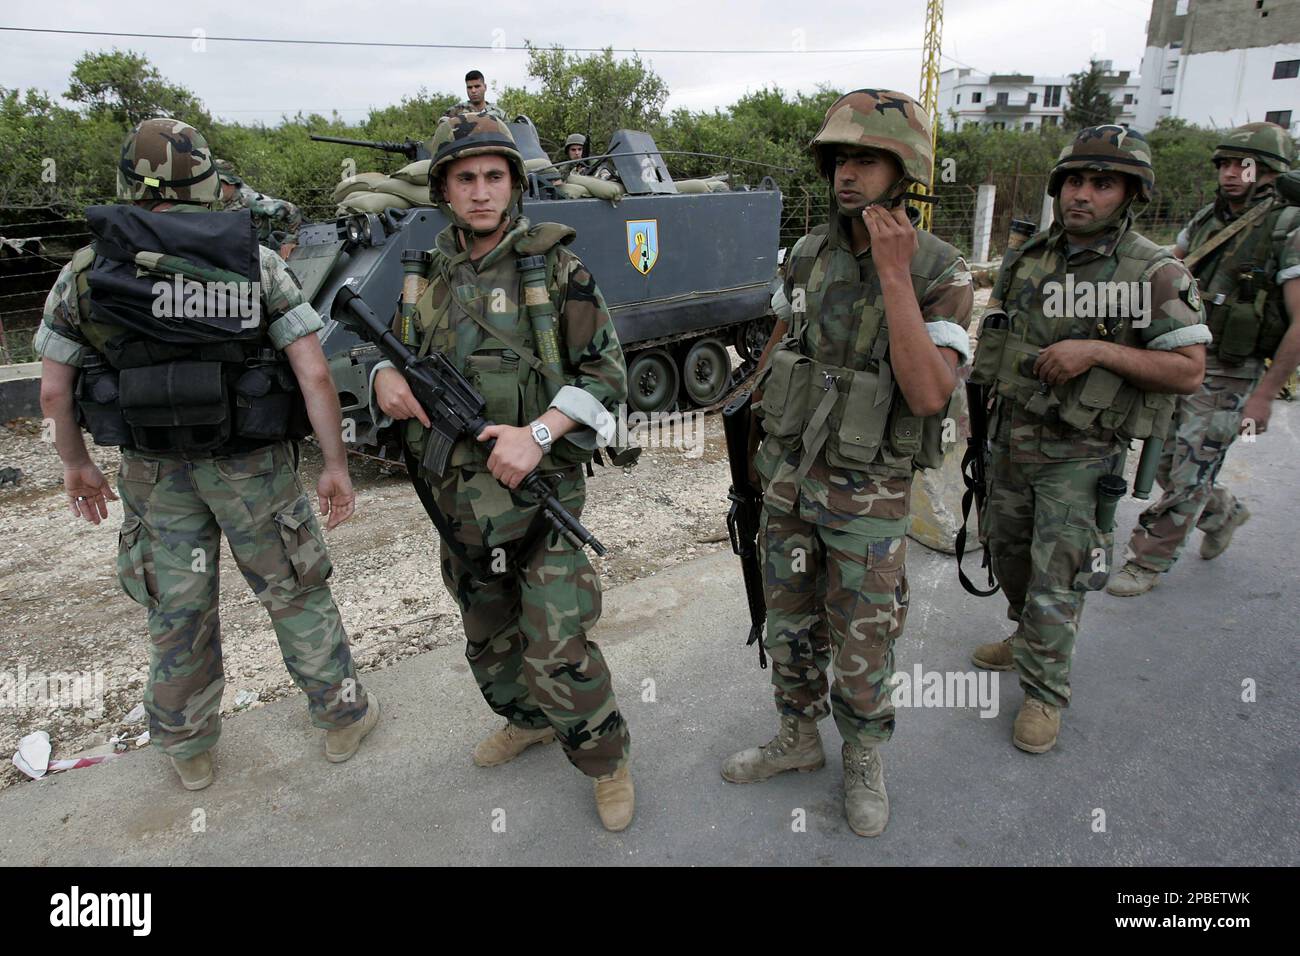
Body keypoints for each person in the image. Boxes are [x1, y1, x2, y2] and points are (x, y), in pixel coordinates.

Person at [34, 118, 379, 791]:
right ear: (207, 179)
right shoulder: (251, 258)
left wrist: (77, 464)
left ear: (129, 181)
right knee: (293, 590)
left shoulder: (87, 269)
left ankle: (189, 749)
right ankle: (342, 720)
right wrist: (335, 465)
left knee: (178, 608)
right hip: (250, 467)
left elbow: (53, 392)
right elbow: (313, 373)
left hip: (153, 471)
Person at [369, 113, 634, 831]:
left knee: (559, 648)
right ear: (445, 191)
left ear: (513, 185)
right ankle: (528, 720)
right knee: (488, 637)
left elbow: (610, 380)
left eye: (493, 176)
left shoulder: (556, 270)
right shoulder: (426, 274)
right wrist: (381, 379)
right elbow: (401, 357)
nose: (481, 192)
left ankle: (606, 762)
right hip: (458, 504)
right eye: (465, 178)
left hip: (539, 498)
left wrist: (541, 431)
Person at [721, 90, 975, 837]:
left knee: (863, 636)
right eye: (839, 159)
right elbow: (780, 341)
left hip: (871, 492)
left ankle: (863, 756)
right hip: (793, 480)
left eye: (866, 159)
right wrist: (747, 406)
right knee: (790, 622)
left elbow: (930, 393)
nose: (846, 174)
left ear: (905, 172)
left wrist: (895, 275)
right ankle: (798, 738)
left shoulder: (940, 269)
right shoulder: (808, 253)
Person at [967, 125, 1209, 752]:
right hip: (1012, 439)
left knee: (1060, 573)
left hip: (1081, 451)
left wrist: (1098, 351)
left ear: (1130, 194)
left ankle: (1045, 694)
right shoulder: (1030, 254)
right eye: (1074, 180)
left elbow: (1187, 371)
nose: (1082, 194)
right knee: (1010, 554)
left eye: (1102, 183)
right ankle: (1026, 636)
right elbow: (998, 339)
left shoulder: (1152, 271)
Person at [1107, 122, 1300, 595]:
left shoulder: (1288, 227)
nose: (1232, 174)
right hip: (1183, 356)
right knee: (1171, 466)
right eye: (1226, 164)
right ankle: (1222, 512)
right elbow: (1170, 268)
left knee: (1191, 466)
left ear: (1271, 173)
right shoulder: (1210, 219)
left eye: (1245, 165)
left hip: (1234, 369)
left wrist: (1265, 396)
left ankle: (1147, 559)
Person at [214, 158, 303, 261]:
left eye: (219, 184)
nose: (216, 188)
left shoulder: (250, 200)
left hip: (259, 257)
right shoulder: (224, 200)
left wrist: (290, 240)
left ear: (230, 182)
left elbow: (291, 209)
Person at [443, 70, 508, 122]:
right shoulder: (454, 112)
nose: (473, 90)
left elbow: (509, 136)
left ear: (485, 87)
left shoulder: (499, 113)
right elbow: (442, 133)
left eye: (477, 86)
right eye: (469, 87)